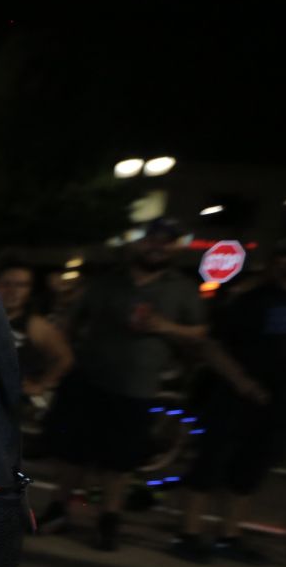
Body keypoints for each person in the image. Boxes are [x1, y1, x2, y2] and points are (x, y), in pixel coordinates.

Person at [171, 225, 286, 563]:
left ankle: (229, 537)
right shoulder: (254, 299)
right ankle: (189, 534)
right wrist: (242, 382)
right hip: (234, 395)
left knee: (251, 471)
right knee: (208, 466)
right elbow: (212, 344)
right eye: (285, 252)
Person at [36, 217, 207, 549]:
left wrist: (163, 326)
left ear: (175, 247)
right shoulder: (107, 281)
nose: (158, 246)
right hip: (87, 380)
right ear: (139, 243)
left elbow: (199, 333)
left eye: (166, 241)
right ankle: (59, 509)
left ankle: (108, 519)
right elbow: (72, 320)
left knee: (120, 461)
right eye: (152, 239)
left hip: (136, 389)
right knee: (72, 454)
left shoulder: (182, 288)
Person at [0, 259, 71, 398]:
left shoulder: (35, 325)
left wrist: (41, 384)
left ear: (29, 290)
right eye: (6, 284)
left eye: (21, 285)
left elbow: (65, 358)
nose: (13, 291)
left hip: (13, 404)